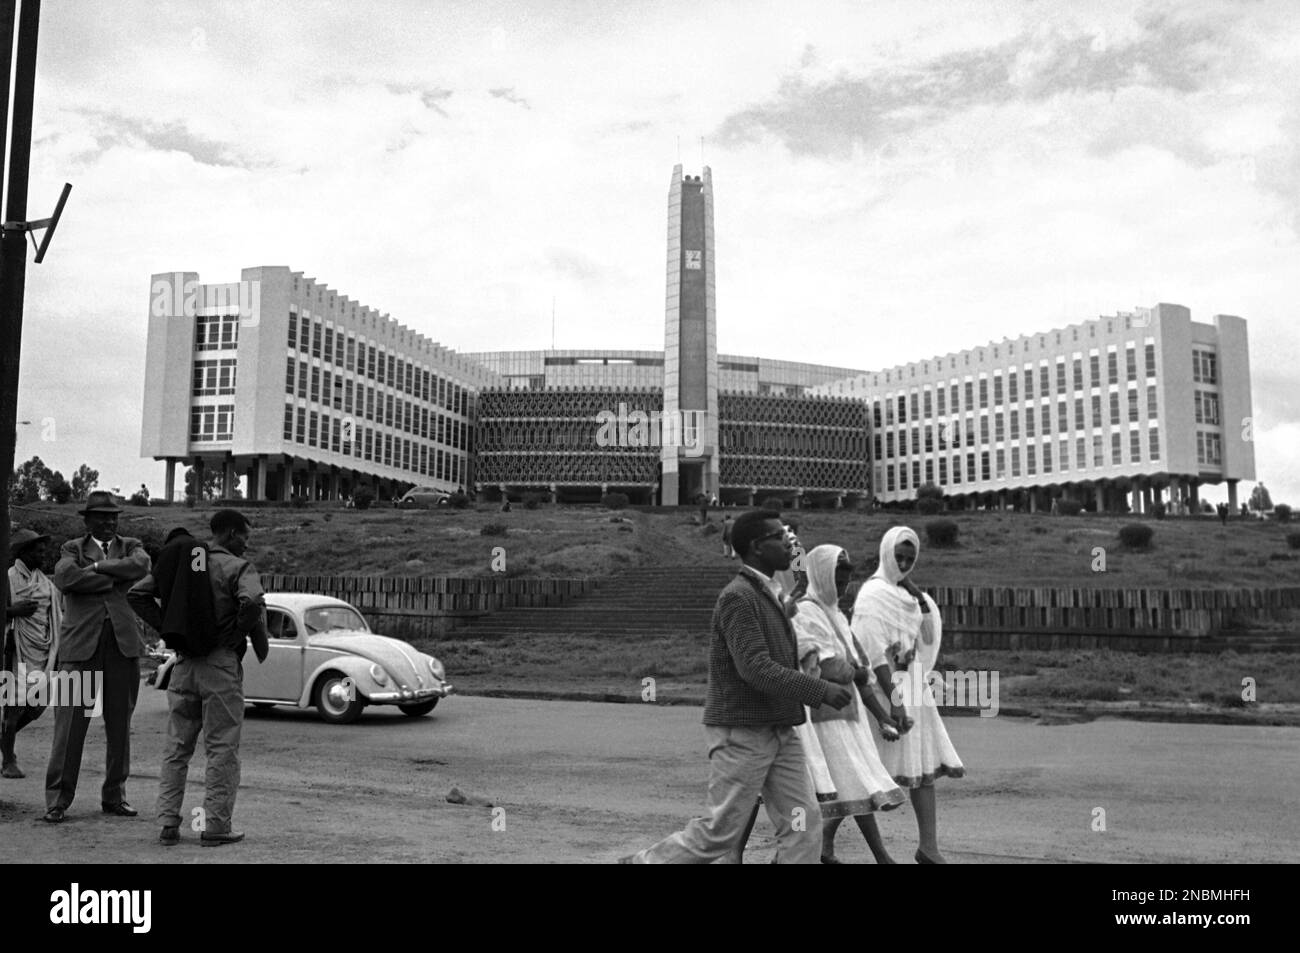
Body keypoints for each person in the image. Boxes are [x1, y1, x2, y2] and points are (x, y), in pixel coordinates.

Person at [620, 510, 853, 863]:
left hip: (779, 728)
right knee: (718, 835)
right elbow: (756, 669)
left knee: (804, 824)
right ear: (758, 547)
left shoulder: (770, 592)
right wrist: (819, 691)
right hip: (742, 732)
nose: (789, 541)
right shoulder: (738, 597)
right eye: (779, 536)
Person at [128, 511, 268, 847]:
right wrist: (233, 632)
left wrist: (170, 627)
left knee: (177, 748)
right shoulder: (238, 567)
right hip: (219, 665)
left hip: (185, 663)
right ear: (231, 534)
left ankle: (167, 822)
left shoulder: (188, 562)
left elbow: (137, 594)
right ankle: (215, 826)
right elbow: (252, 603)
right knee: (221, 749)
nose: (247, 543)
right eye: (244, 536)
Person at [853, 526, 964, 864]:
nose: (903, 563)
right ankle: (827, 842)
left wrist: (912, 589)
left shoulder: (905, 595)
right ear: (885, 553)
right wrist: (894, 702)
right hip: (881, 689)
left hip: (912, 684)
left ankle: (928, 847)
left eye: (909, 559)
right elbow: (871, 652)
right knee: (862, 772)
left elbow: (928, 631)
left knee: (924, 766)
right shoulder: (871, 595)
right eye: (898, 557)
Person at [44, 491, 151, 824]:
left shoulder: (132, 544)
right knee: (69, 726)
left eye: (113, 516)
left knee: (120, 725)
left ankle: (115, 796)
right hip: (80, 648)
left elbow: (141, 566)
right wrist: (116, 579)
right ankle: (57, 800)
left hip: (123, 645)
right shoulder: (71, 548)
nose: (109, 522)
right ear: (87, 520)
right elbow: (65, 578)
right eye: (102, 517)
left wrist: (98, 568)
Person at [3, 529, 63, 778]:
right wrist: (11, 611)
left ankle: (3, 738)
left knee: (37, 706)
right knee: (13, 708)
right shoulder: (7, 579)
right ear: (23, 552)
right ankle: (8, 760)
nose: (43, 554)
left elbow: (56, 618)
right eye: (38, 550)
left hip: (42, 650)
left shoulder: (46, 584)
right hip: (15, 650)